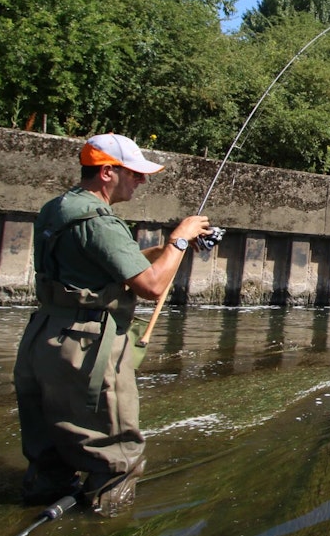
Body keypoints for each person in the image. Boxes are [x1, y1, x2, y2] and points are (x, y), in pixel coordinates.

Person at [13, 133, 212, 516]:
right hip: (86, 346)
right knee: (117, 460)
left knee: (49, 452)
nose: (142, 181)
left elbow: (108, 263)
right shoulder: (99, 221)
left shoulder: (58, 209)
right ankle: (103, 535)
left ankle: (42, 496)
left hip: (43, 338)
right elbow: (152, 285)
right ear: (107, 172)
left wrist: (169, 248)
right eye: (134, 173)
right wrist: (180, 242)